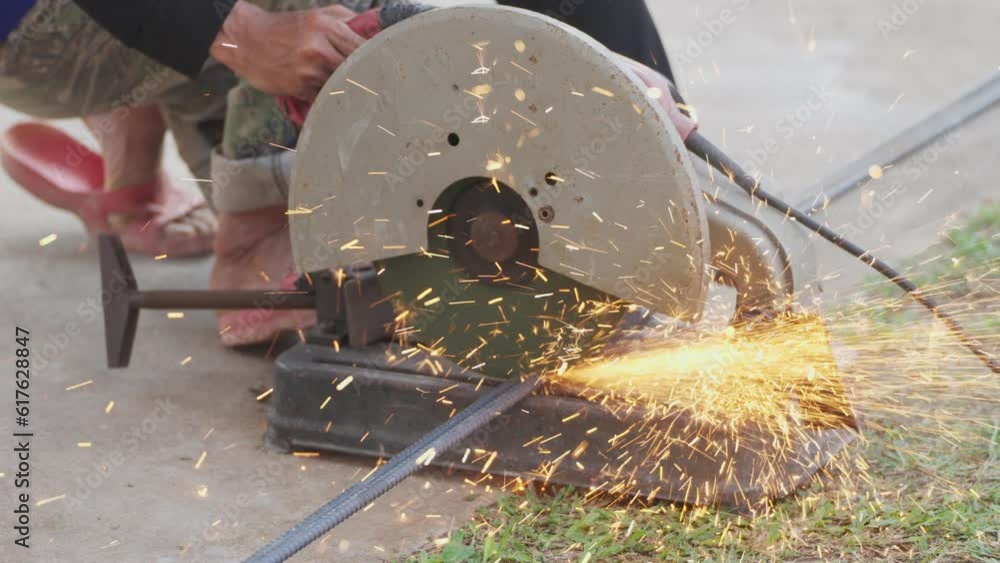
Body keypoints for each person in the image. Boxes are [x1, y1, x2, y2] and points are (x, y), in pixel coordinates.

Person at [1, 0, 676, 346]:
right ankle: (256, 249)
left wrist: (639, 121)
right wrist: (241, 32)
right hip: (35, 28)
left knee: (302, 66)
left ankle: (161, 136)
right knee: (312, 43)